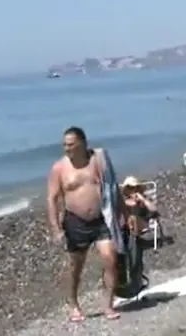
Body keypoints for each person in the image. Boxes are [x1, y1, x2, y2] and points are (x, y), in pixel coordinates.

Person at [46, 126, 120, 322]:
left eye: (70, 145)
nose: (66, 148)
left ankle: (108, 304)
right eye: (64, 145)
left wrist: (122, 212)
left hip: (102, 217)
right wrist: (55, 227)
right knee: (75, 267)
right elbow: (52, 198)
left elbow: (113, 186)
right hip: (75, 222)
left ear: (82, 143)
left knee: (110, 259)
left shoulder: (98, 159)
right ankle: (73, 305)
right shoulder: (59, 168)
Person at [120, 176, 165, 240]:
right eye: (130, 187)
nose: (134, 190)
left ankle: (134, 239)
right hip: (127, 225)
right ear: (127, 190)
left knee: (133, 218)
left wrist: (143, 200)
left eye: (136, 187)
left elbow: (154, 209)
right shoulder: (125, 201)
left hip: (142, 223)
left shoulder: (144, 199)